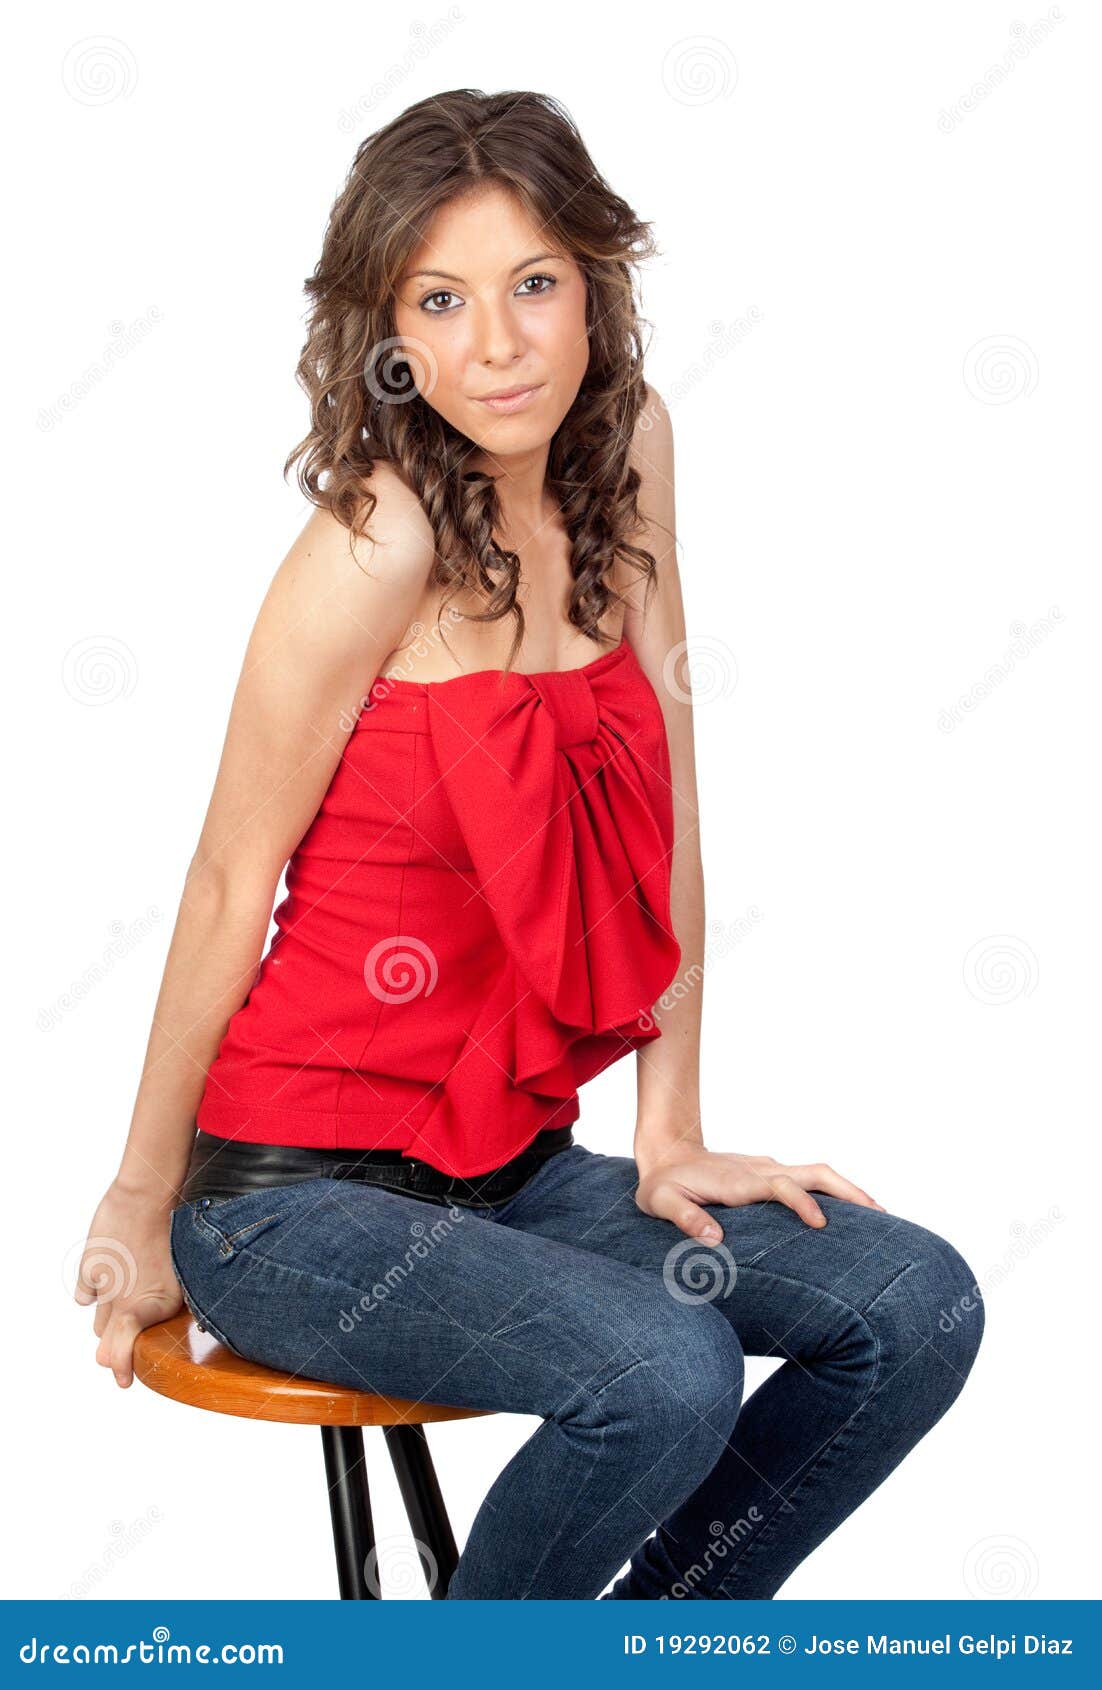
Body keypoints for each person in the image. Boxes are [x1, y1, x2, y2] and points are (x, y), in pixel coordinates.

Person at [75, 89, 984, 1601]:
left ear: (594, 285)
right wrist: (133, 1203)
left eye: (532, 285)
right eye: (442, 299)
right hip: (291, 1199)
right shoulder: (375, 539)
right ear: (390, 329)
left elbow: (668, 794)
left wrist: (673, 1124)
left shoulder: (626, 445)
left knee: (911, 1302)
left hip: (506, 1169)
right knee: (669, 1368)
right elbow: (228, 880)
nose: (496, 346)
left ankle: (632, 1645)